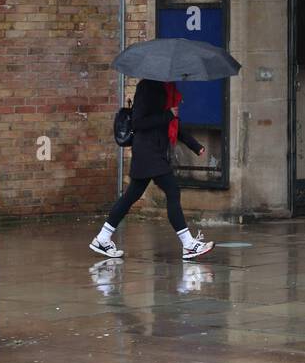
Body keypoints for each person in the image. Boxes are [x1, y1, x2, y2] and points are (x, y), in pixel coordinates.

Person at [90, 79, 214, 260]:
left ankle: (102, 237)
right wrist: (167, 114)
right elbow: (138, 122)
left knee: (131, 196)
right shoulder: (146, 86)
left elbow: (172, 124)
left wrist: (195, 146)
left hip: (153, 152)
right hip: (148, 152)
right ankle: (188, 244)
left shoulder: (166, 89)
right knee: (172, 191)